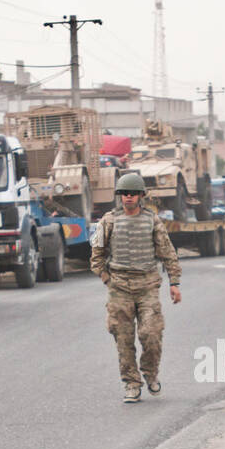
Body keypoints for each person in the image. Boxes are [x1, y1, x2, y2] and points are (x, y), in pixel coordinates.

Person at [90, 171, 181, 403]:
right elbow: (97, 257)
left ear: (141, 195)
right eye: (124, 193)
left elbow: (168, 253)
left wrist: (174, 283)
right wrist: (107, 280)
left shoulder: (152, 220)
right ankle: (131, 383)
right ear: (119, 196)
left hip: (147, 285)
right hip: (119, 287)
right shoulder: (108, 221)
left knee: (151, 333)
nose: (128, 197)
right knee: (123, 337)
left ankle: (150, 374)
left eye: (133, 193)